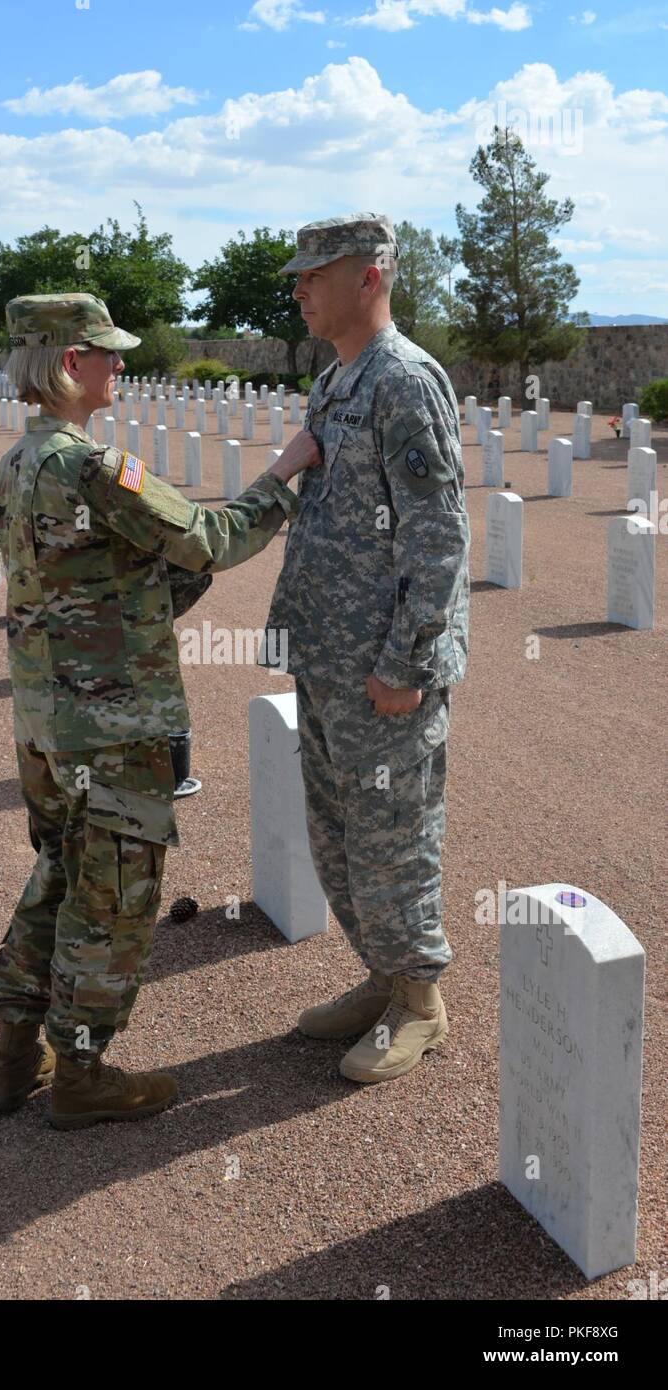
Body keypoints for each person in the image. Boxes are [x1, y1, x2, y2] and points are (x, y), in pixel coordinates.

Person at [0, 292, 319, 1127]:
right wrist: (285, 473)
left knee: (61, 874)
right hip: (114, 723)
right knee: (117, 898)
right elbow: (209, 539)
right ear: (70, 363)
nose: (119, 365)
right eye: (106, 351)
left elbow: (86, 589)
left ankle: (17, 1053)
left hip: (43, 723)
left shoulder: (17, 464)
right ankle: (83, 1076)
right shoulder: (93, 469)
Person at [262, 214, 470, 1083]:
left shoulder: (402, 381)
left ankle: (420, 1000)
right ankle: (382, 976)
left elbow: (438, 541)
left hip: (383, 673)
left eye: (317, 274)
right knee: (338, 838)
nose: (301, 289)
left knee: (391, 840)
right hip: (328, 658)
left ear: (370, 277)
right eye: (300, 276)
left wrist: (402, 668)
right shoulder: (334, 380)